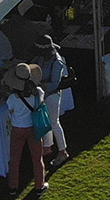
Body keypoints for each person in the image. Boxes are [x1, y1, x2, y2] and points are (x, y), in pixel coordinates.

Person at [4, 61, 47, 195]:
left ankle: (13, 186)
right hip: (33, 128)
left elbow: (10, 111)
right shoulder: (38, 92)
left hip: (17, 129)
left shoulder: (12, 98)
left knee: (15, 159)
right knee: (37, 158)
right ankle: (39, 185)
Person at [33, 35, 70, 169]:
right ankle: (47, 147)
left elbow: (54, 84)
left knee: (54, 123)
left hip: (52, 96)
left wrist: (38, 85)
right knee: (45, 121)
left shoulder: (57, 62)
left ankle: (62, 151)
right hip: (43, 94)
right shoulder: (41, 58)